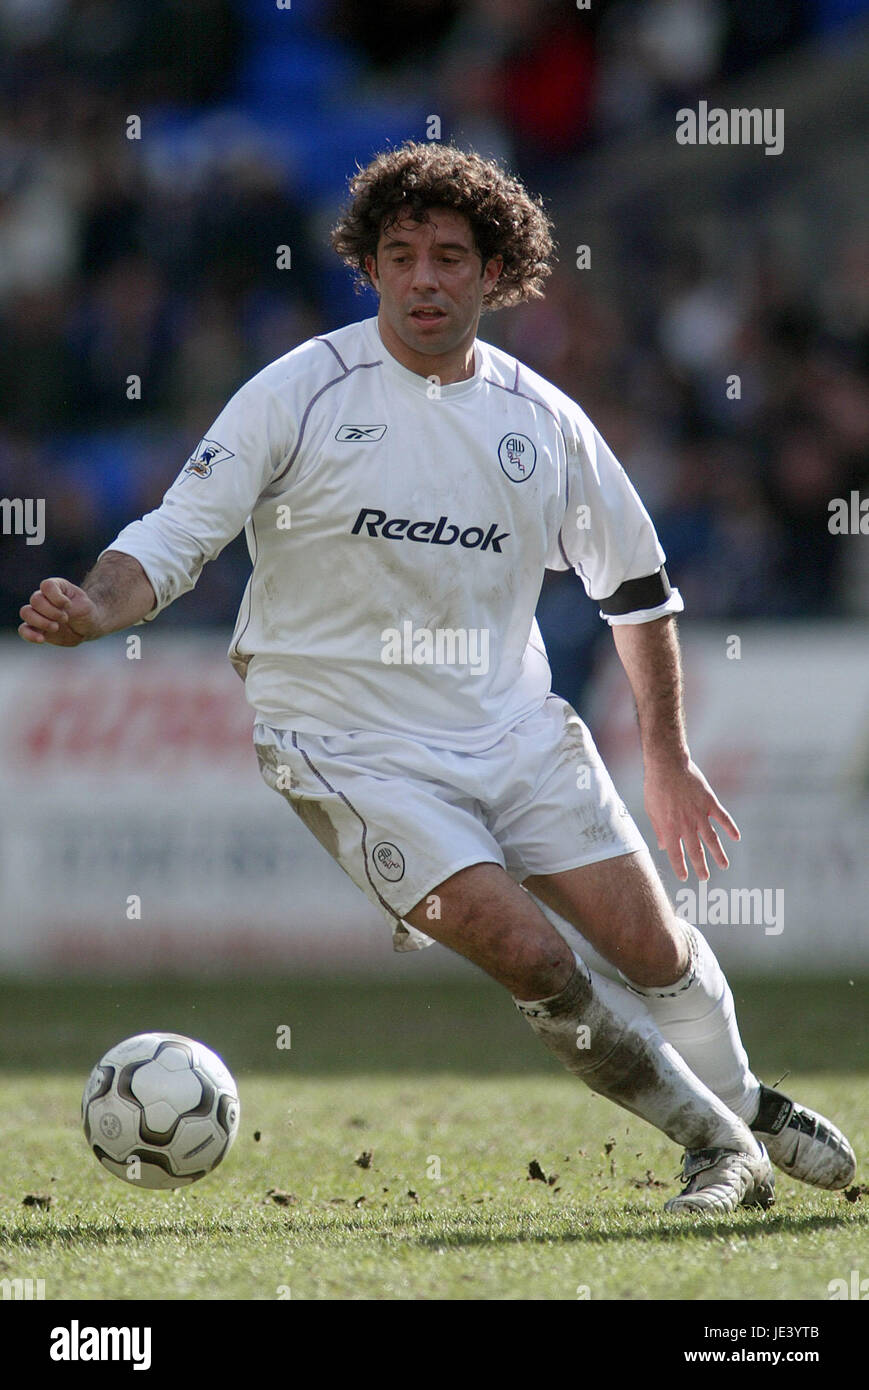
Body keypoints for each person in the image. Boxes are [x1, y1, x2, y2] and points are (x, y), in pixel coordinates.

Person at [18, 141, 855, 1213]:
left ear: (493, 273)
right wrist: (96, 604)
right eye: (401, 253)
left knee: (648, 945)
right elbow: (173, 535)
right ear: (367, 266)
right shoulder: (300, 391)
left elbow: (637, 590)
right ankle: (716, 1147)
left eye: (450, 256)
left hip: (511, 729)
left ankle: (741, 1102)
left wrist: (666, 755)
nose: (424, 277)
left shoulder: (542, 422)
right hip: (347, 746)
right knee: (526, 951)